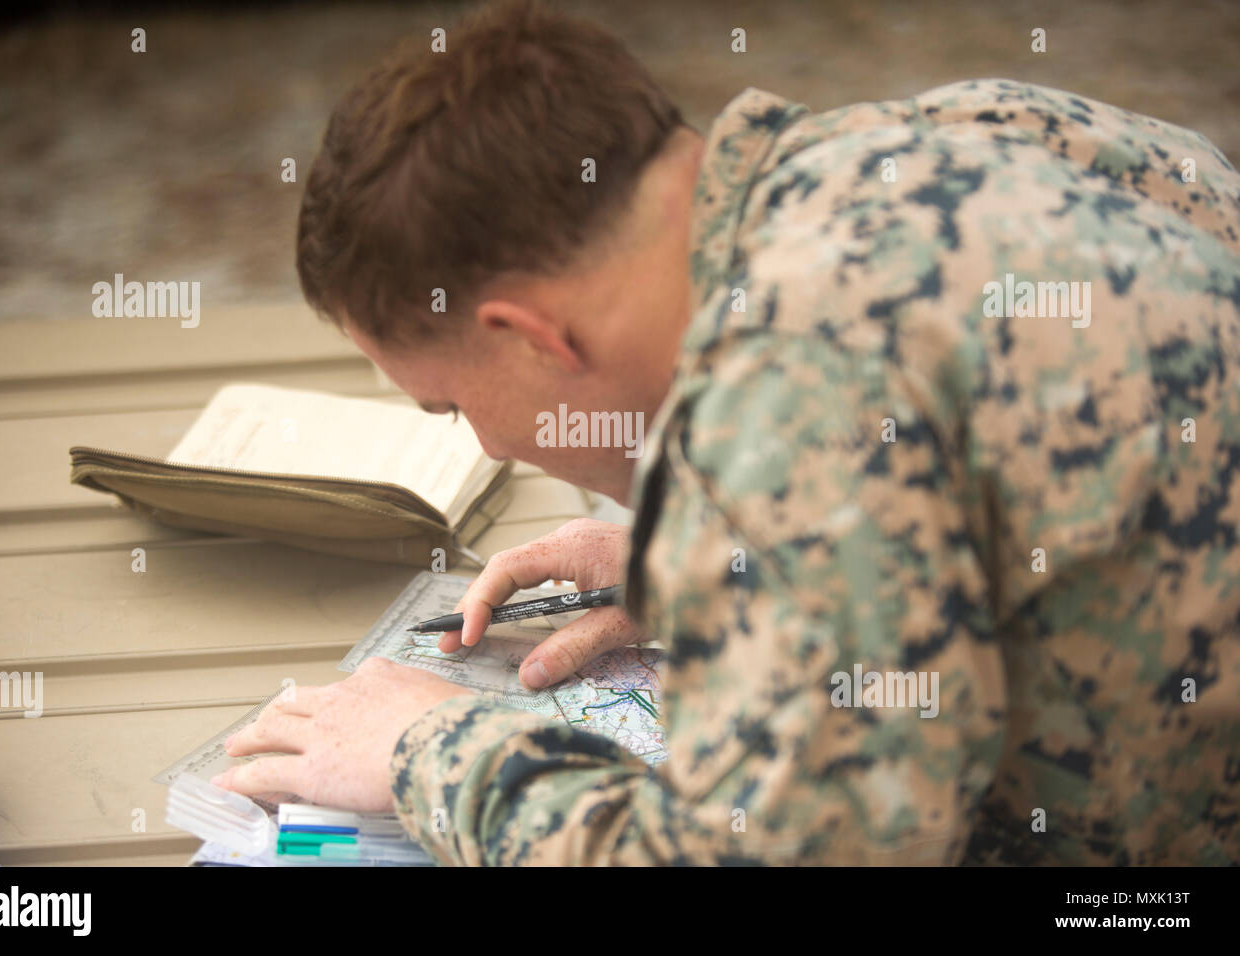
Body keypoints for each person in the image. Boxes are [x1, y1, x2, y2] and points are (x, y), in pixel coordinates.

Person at [212, 0, 1240, 865]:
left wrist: (426, 749)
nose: (479, 440)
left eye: (448, 403)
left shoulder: (786, 390)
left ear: (530, 337)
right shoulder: (956, 132)